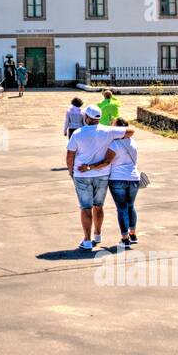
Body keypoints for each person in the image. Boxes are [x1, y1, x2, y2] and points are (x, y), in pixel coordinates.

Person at [66, 106, 134, 251]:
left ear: (87, 118)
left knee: (85, 207)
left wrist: (71, 171)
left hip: (82, 174)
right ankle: (97, 234)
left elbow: (70, 154)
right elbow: (130, 131)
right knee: (98, 206)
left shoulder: (78, 133)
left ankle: (87, 240)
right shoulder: (108, 131)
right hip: (103, 174)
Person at [104, 119, 141, 249]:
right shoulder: (133, 142)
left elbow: (107, 161)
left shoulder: (114, 144)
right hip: (133, 177)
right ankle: (133, 234)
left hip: (117, 178)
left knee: (122, 208)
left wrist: (91, 167)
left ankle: (125, 238)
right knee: (131, 206)